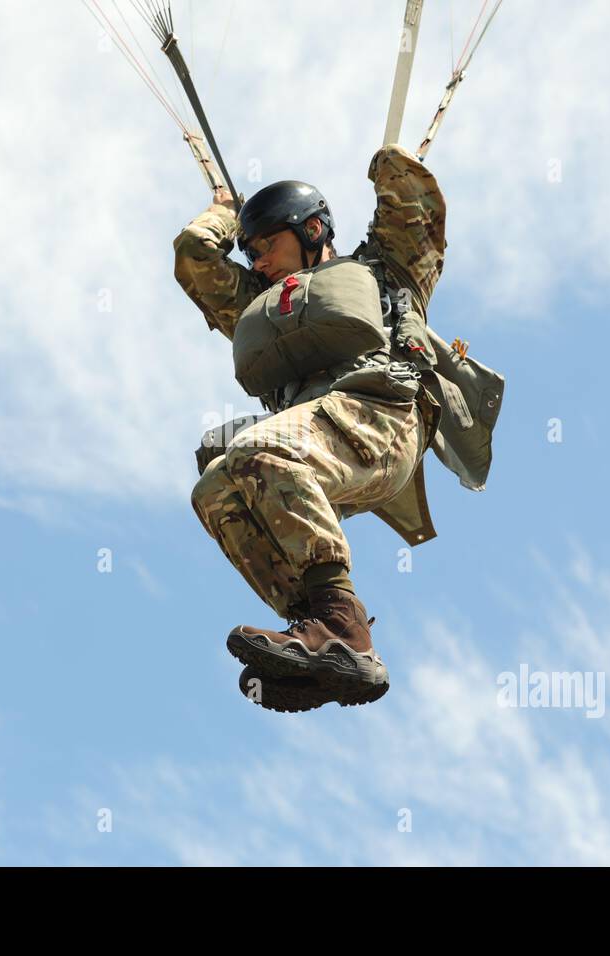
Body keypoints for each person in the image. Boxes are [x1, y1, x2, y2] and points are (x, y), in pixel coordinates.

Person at [174, 144, 501, 712]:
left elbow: (413, 208)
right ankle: (321, 639)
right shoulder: (264, 306)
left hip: (382, 417)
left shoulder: (383, 273)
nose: (256, 263)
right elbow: (194, 257)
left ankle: (342, 628)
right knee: (216, 487)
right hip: (328, 442)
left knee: (259, 450)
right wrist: (227, 212)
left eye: (266, 245)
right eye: (249, 253)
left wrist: (388, 162)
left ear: (313, 230)